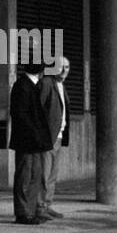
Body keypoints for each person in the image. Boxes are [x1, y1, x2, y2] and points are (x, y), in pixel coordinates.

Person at [8, 60, 53, 224]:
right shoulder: (24, 86)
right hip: (28, 141)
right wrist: (36, 136)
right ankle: (24, 213)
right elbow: (21, 115)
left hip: (31, 140)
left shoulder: (26, 85)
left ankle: (30, 211)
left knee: (33, 176)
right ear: (41, 71)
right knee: (26, 177)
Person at [39, 56, 71, 218]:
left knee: (52, 175)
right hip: (48, 137)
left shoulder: (61, 86)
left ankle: (47, 204)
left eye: (67, 67)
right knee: (44, 175)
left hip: (58, 137)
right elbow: (39, 109)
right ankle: (40, 207)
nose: (64, 70)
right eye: (61, 67)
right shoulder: (46, 83)